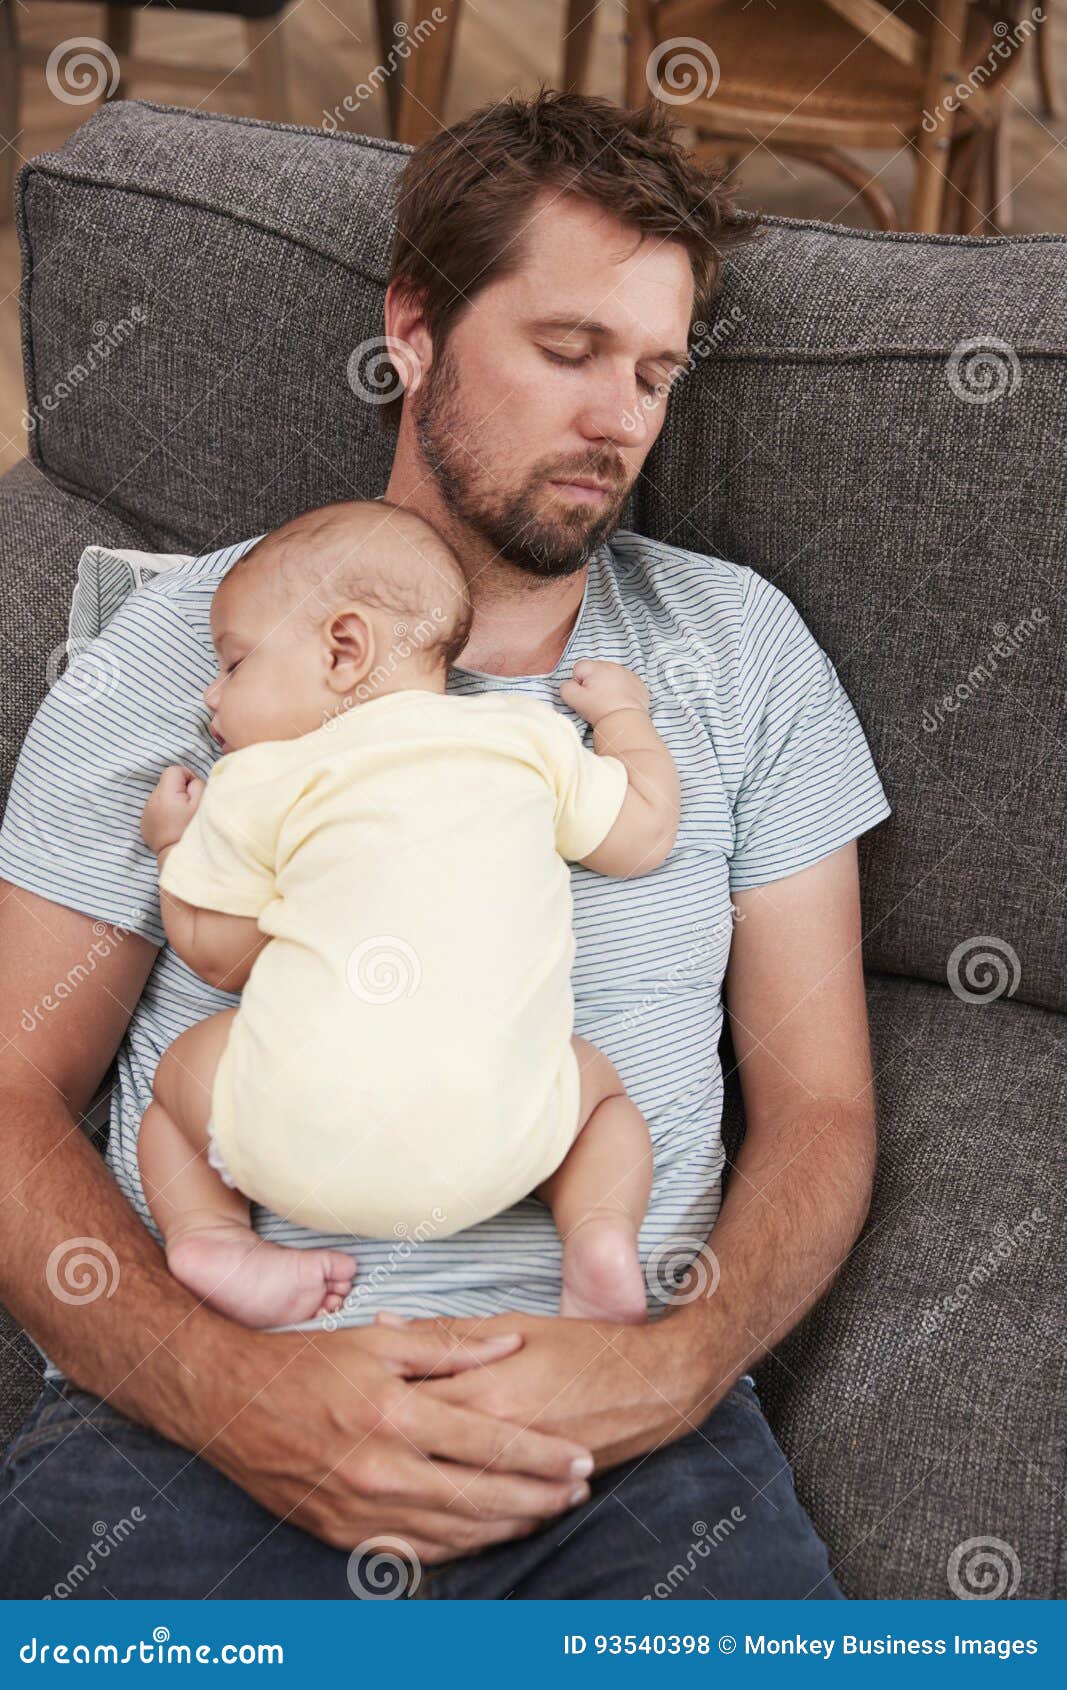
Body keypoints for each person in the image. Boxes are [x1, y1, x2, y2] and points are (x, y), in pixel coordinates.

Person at [0, 88, 891, 1598]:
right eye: (566, 352)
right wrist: (226, 1386)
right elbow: (14, 1084)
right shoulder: (195, 650)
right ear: (409, 325)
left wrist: (673, 1369)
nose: (619, 419)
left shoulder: (732, 656)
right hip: (195, 1425)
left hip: (627, 1451)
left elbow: (819, 1106)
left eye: (657, 373)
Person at [137, 498, 676, 1330]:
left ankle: (213, 1237)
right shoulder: (524, 738)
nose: (213, 696)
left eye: (234, 664)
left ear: (344, 651)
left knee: (178, 1081)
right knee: (603, 1105)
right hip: (499, 1145)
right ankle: (598, 1234)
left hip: (292, 1140)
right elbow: (642, 833)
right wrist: (623, 719)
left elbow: (214, 955)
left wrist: (175, 847)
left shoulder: (258, 780)